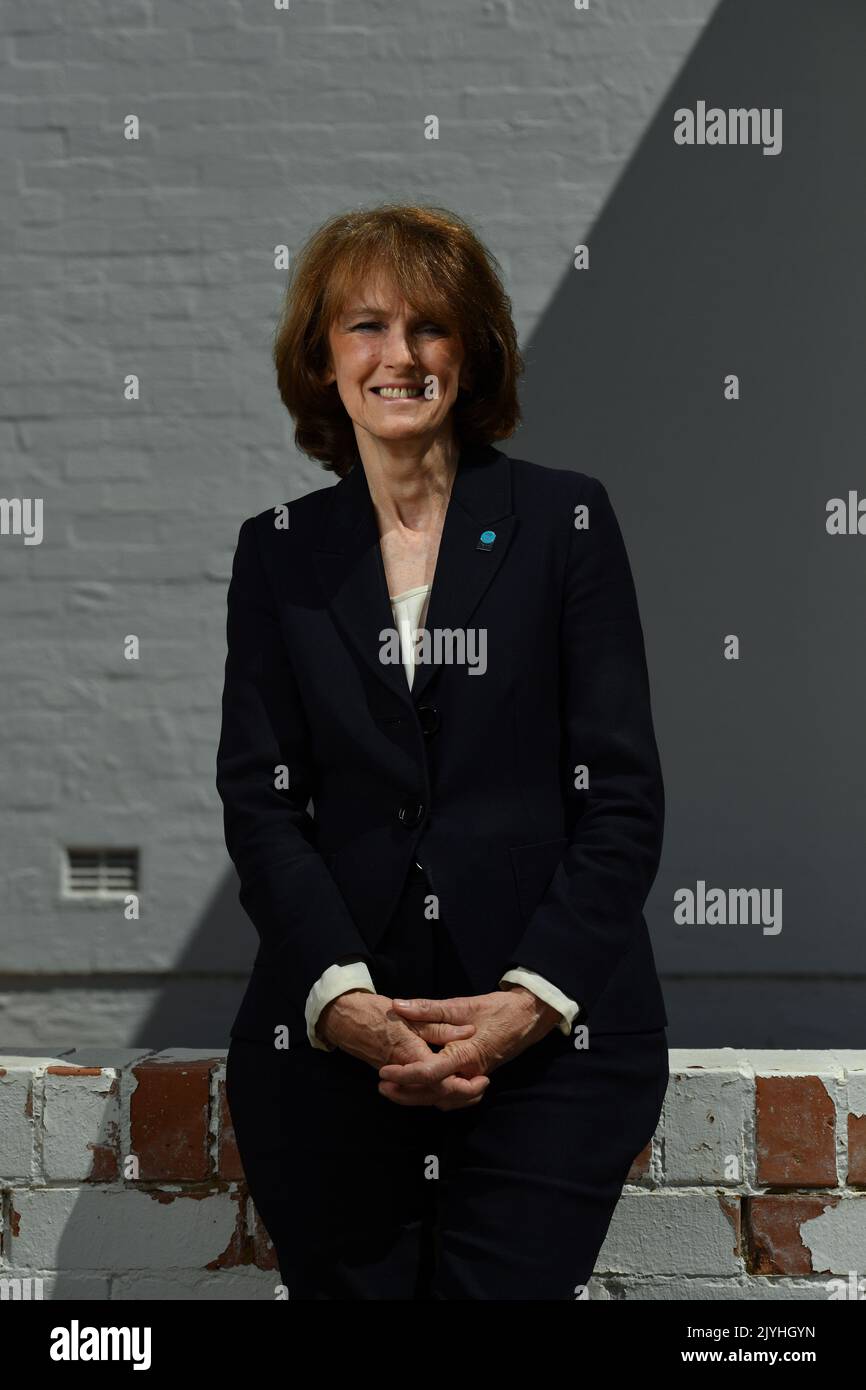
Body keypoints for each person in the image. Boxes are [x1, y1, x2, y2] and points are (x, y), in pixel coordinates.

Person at [217, 203, 669, 1300]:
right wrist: (345, 1006)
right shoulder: (280, 554)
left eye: (431, 328)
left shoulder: (565, 522)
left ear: (472, 354)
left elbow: (619, 796)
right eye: (364, 326)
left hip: (552, 1045)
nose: (399, 355)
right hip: (332, 1054)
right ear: (322, 360)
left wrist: (521, 1007)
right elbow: (260, 802)